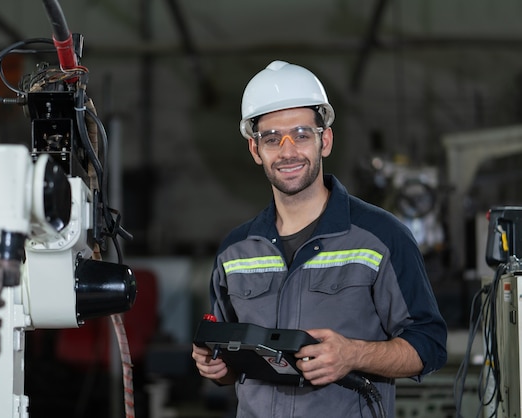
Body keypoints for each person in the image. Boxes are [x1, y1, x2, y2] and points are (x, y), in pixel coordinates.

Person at [191, 60, 448, 418]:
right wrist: (217, 367)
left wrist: (353, 355)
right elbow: (234, 358)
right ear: (255, 150)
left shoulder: (381, 238)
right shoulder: (235, 251)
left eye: (300, 134)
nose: (287, 151)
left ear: (324, 140)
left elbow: (430, 346)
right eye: (271, 139)